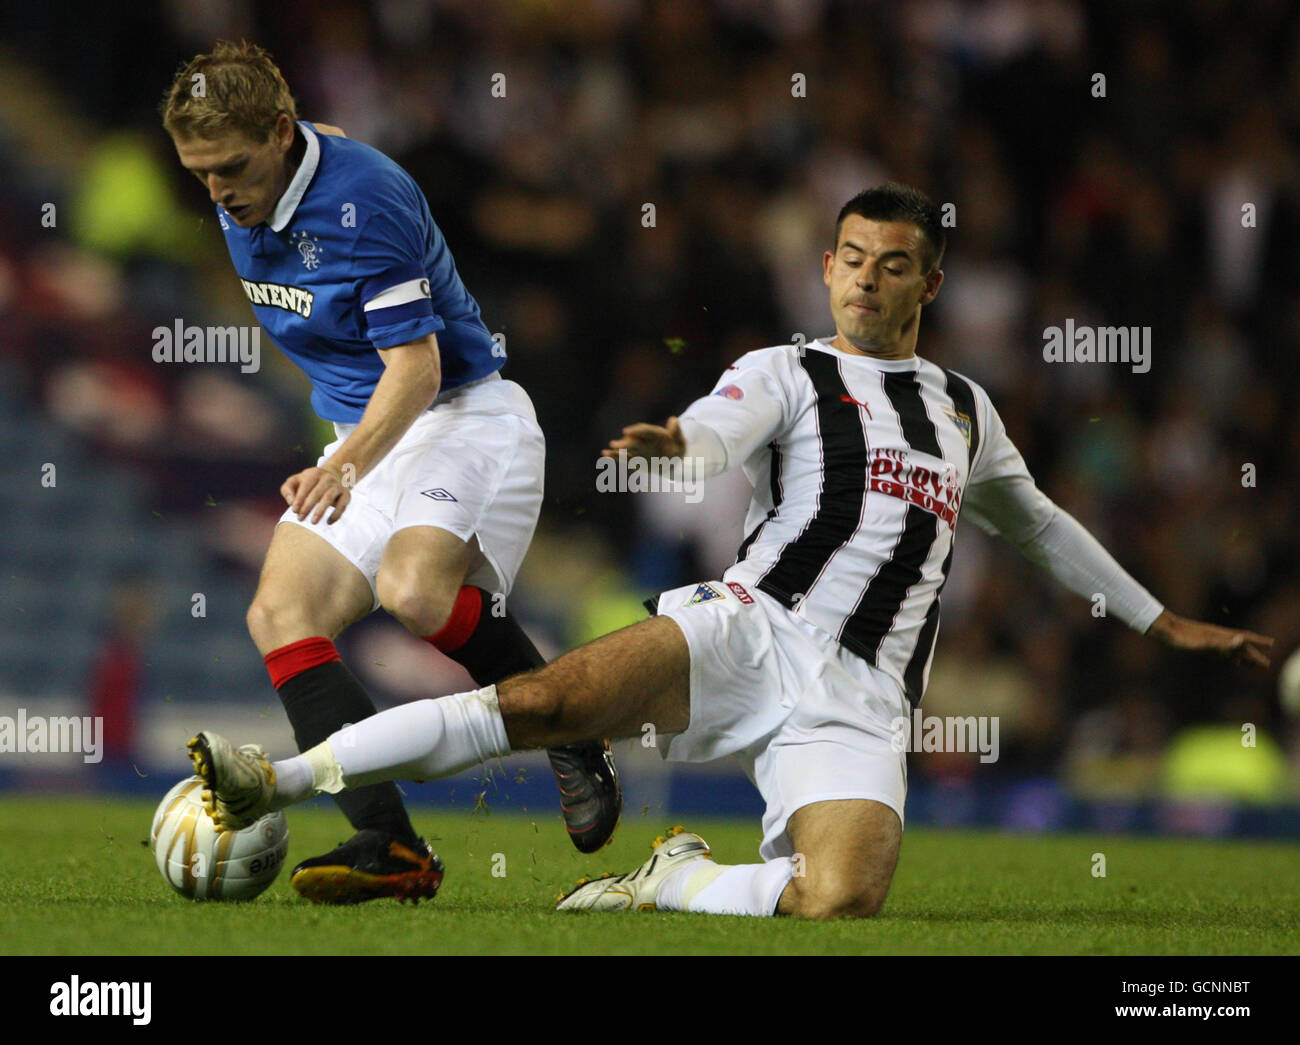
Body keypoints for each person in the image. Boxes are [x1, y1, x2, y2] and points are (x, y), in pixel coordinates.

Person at [188, 182, 1273, 918]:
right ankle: (273, 779)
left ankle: (671, 881)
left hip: (863, 698)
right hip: (749, 630)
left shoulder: (961, 408)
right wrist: (678, 443)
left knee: (837, 898)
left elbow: (1035, 522)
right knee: (541, 705)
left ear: (927, 284)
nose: (865, 280)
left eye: (893, 266)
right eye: (850, 259)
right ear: (827, 265)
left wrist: (1160, 618)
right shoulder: (788, 370)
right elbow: (717, 425)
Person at [160, 40, 620, 904]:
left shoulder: (360, 204)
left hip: (462, 418)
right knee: (279, 612)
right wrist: (351, 455)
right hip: (368, 433)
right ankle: (391, 845)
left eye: (228, 167)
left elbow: (418, 370)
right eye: (198, 174)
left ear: (279, 134)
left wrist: (343, 468)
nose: (217, 191)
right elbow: (317, 138)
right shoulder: (266, 171)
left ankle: (569, 721)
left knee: (414, 592)